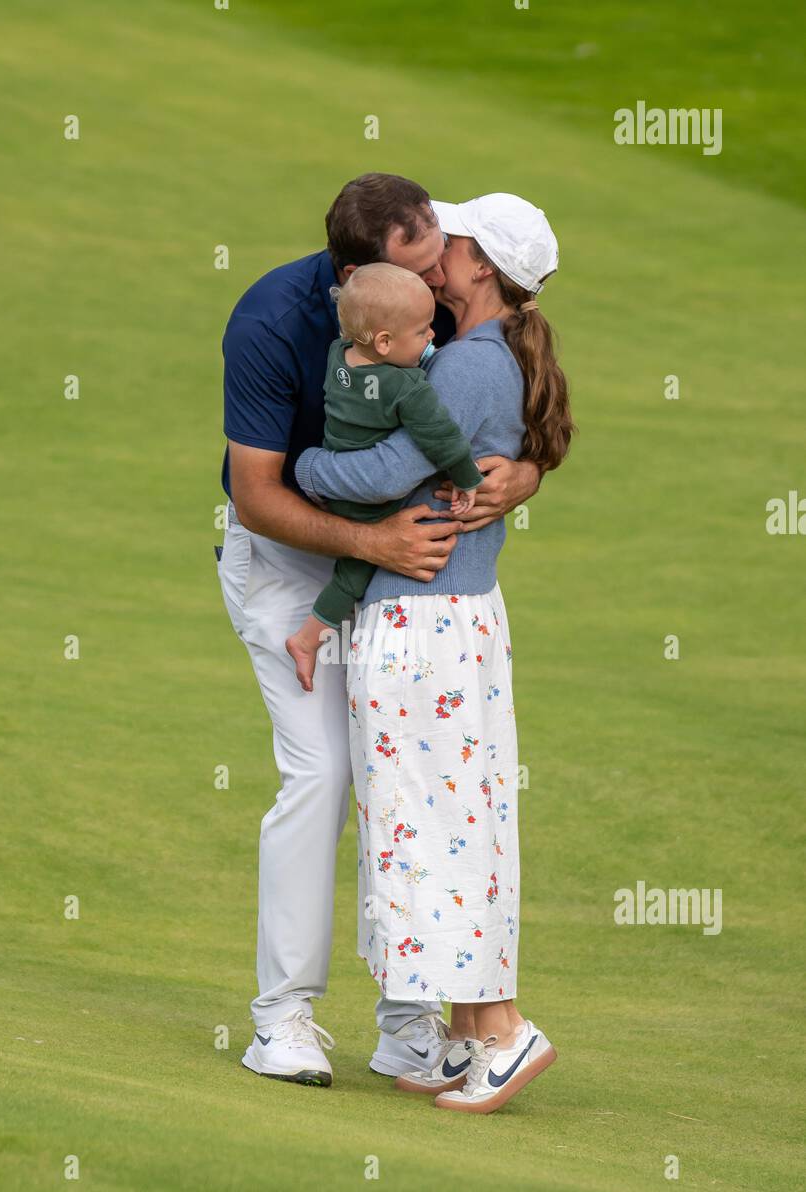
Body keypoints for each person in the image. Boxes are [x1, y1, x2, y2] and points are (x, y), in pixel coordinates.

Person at [216, 173, 545, 1089]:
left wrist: (522, 477)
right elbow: (257, 494)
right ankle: (280, 1019)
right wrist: (373, 540)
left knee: (392, 775)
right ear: (358, 281)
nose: (441, 278)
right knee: (325, 772)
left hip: (389, 574)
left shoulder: (443, 320)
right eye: (423, 266)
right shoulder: (272, 321)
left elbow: (490, 419)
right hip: (287, 556)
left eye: (444, 255)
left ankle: (408, 1025)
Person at [295, 193, 573, 1112]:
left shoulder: (464, 370)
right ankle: (467, 1030)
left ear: (480, 266)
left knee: (439, 826)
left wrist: (299, 469)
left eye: (451, 241)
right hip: (441, 624)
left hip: (428, 629)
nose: (436, 250)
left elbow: (379, 478)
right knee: (437, 823)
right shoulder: (469, 358)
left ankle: (501, 1028)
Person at [285, 262, 483, 693]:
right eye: (423, 331)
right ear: (385, 341)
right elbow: (442, 437)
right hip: (365, 503)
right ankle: (306, 640)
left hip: (335, 473)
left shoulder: (340, 355)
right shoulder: (405, 388)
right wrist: (467, 478)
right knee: (352, 573)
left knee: (350, 569)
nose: (433, 336)